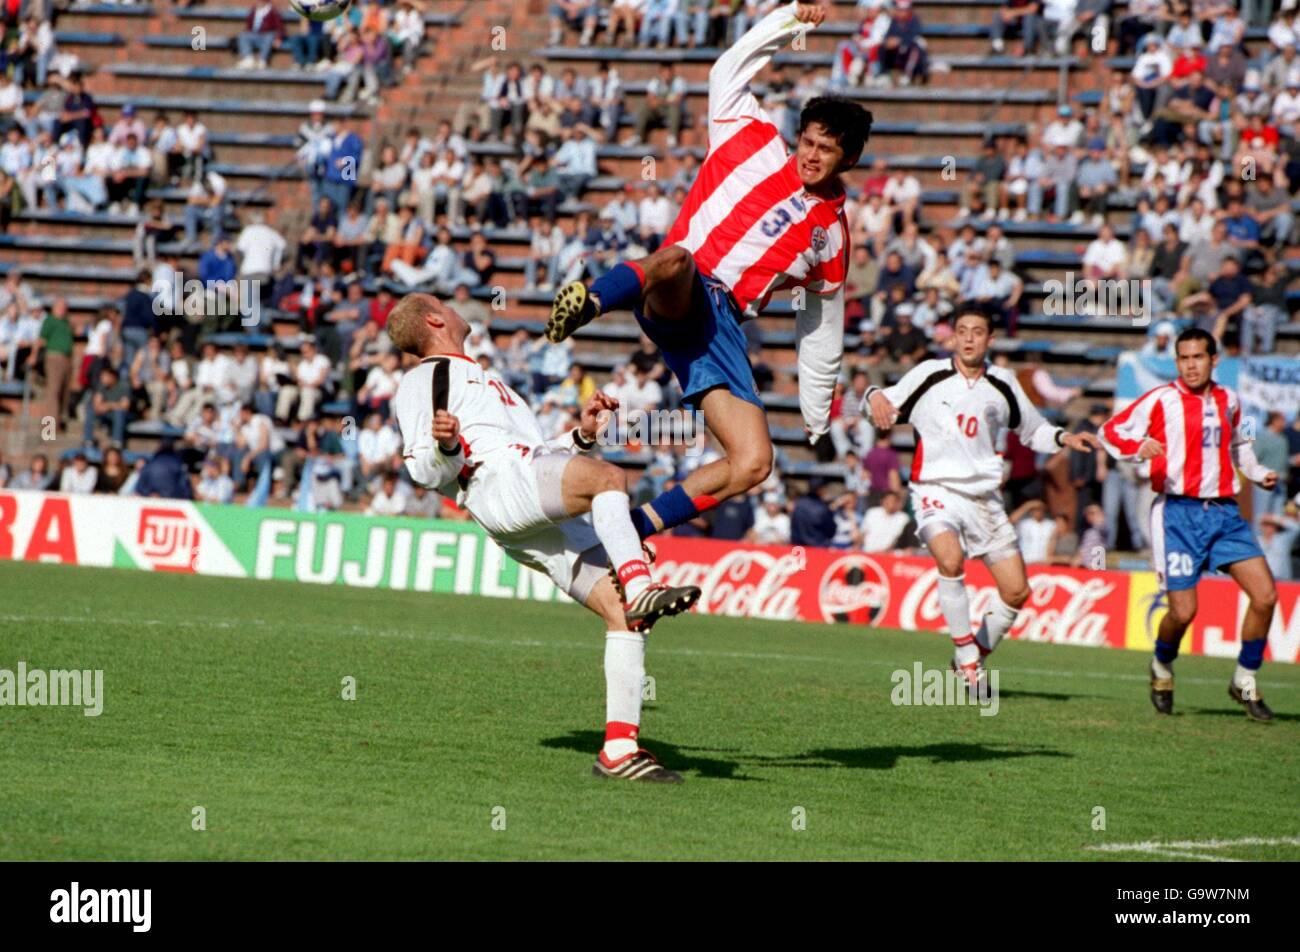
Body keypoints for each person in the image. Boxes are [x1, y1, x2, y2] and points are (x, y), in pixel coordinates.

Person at [546, 2, 872, 542]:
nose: (811, 155)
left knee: (752, 461)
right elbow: (728, 69)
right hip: (679, 288)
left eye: (827, 149)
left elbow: (820, 320)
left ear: (849, 160)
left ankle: (633, 528)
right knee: (678, 258)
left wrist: (816, 412)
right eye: (808, 141)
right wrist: (791, 18)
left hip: (722, 330)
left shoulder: (832, 234)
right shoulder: (750, 136)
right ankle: (590, 301)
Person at [388, 292, 701, 782]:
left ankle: (619, 749)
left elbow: (532, 454)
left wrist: (579, 436)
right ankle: (640, 585)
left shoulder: (481, 375)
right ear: (434, 319)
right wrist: (447, 447)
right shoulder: (425, 379)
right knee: (608, 479)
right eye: (445, 304)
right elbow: (423, 469)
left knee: (623, 619)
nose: (454, 307)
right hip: (496, 487)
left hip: (520, 493)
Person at [864, 307, 1102, 694]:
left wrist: (1063, 438)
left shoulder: (1003, 382)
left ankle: (970, 657)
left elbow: (1033, 430)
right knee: (951, 559)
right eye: (962, 331)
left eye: (978, 332)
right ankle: (970, 663)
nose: (969, 338)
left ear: (990, 339)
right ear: (953, 337)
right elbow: (880, 403)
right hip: (935, 489)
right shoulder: (929, 374)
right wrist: (873, 395)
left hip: (984, 499)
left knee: (1015, 591)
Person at [1098, 328, 1281, 721]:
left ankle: (1244, 681)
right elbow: (1109, 431)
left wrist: (1259, 470)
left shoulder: (1231, 399)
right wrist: (1136, 448)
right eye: (1184, 358)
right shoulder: (1161, 399)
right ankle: (1162, 666)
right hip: (1178, 515)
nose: (1190, 365)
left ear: (1214, 360)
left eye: (1198, 357)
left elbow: (1241, 443)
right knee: (1183, 612)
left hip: (1224, 515)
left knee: (1265, 596)